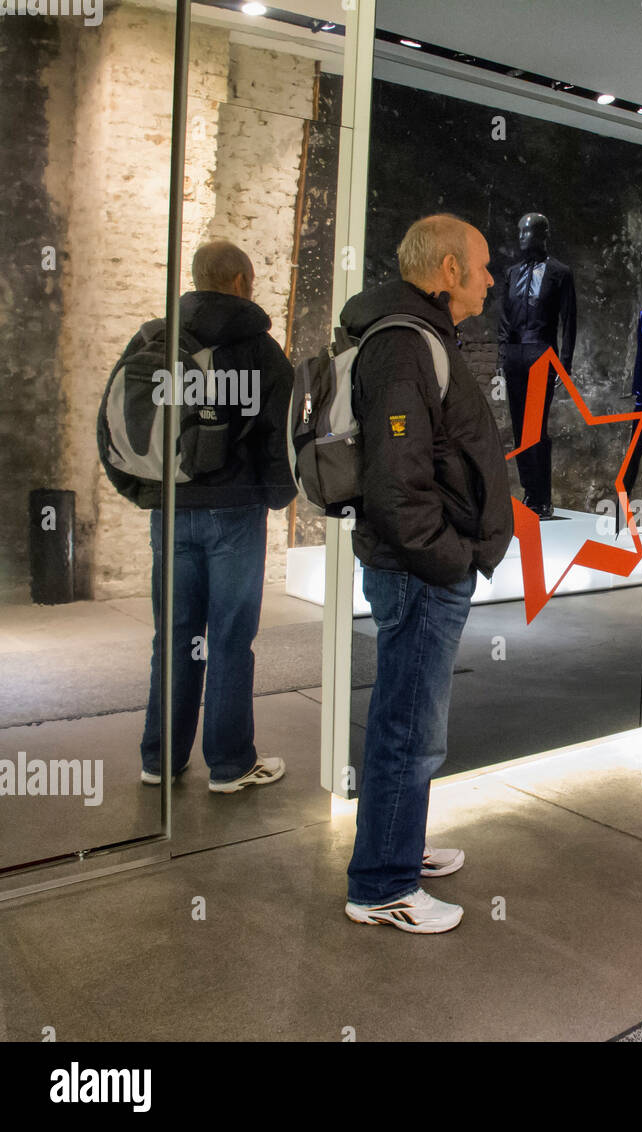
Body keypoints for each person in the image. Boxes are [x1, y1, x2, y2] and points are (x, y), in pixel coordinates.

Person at [340, 215, 513, 934]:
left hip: (423, 569)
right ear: (448, 269)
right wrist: (450, 560)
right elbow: (398, 483)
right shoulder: (406, 345)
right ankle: (381, 885)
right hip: (420, 571)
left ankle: (399, 849)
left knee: (414, 723)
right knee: (409, 728)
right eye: (481, 266)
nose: (491, 279)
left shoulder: (419, 335)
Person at [101, 240, 294, 793]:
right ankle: (231, 765)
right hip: (234, 513)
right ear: (239, 282)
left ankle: (159, 759)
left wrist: (144, 493)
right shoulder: (257, 349)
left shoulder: (154, 338)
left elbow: (116, 423)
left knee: (176, 636)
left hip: (171, 510)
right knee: (231, 638)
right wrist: (277, 495)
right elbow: (280, 433)